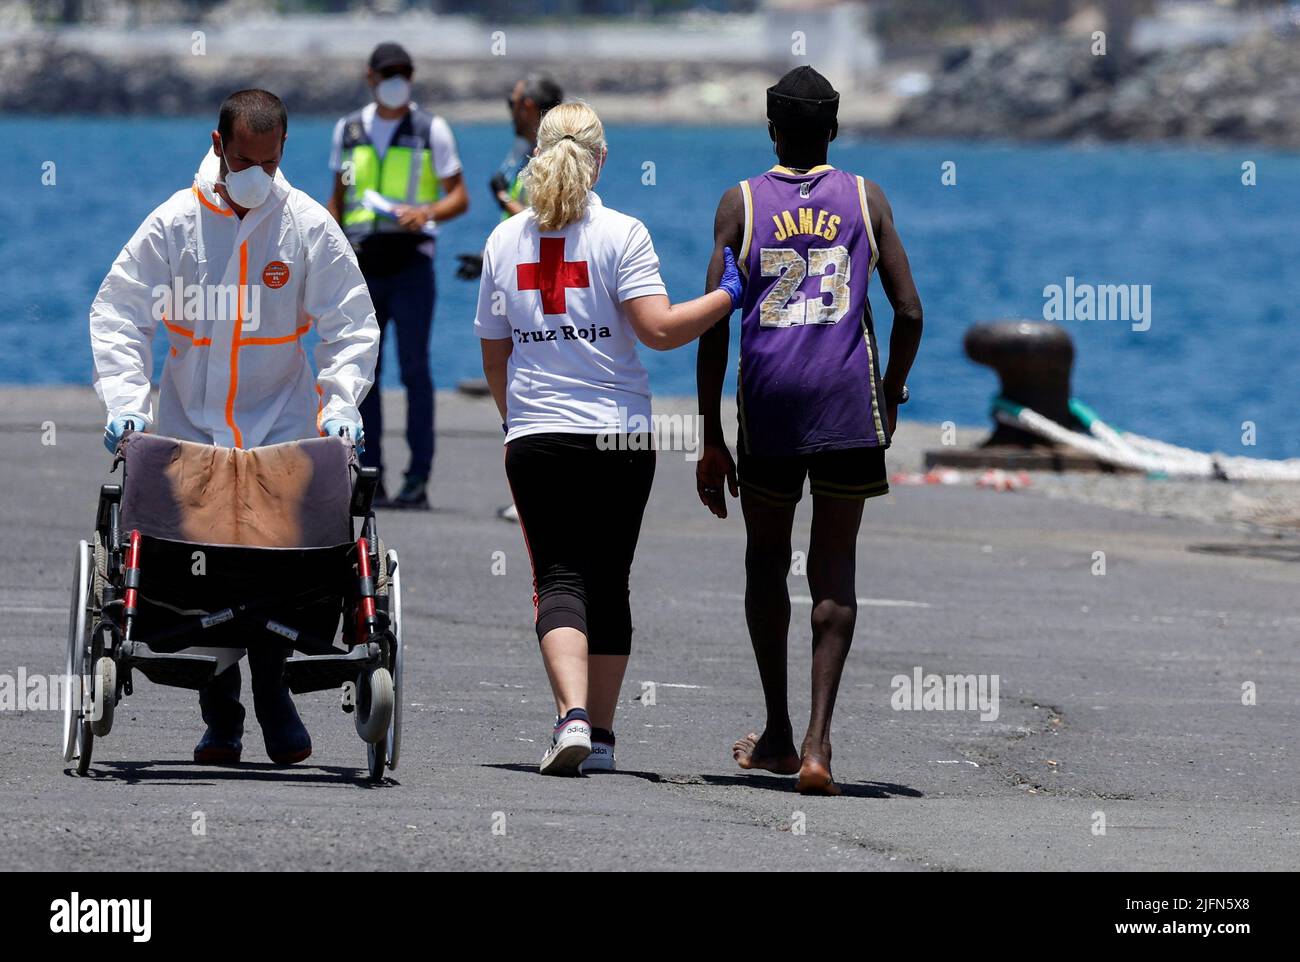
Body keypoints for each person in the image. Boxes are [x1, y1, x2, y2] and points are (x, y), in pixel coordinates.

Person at [90, 89, 380, 766]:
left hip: (278, 418)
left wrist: (341, 404)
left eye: (271, 161)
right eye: (246, 159)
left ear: (283, 152)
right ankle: (222, 709)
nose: (259, 173)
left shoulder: (306, 224)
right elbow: (120, 311)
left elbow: (349, 322)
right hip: (189, 420)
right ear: (219, 146)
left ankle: (272, 690)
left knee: (270, 565)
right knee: (204, 571)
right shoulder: (174, 224)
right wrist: (125, 399)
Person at [474, 101, 743, 776]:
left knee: (558, 577)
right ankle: (602, 735)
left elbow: (494, 350)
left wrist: (516, 419)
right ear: (601, 161)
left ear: (536, 154)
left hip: (538, 436)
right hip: (619, 437)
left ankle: (568, 716)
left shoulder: (505, 240)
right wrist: (729, 297)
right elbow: (658, 330)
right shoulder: (623, 232)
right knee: (611, 581)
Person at [696, 66, 924, 795]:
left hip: (769, 405)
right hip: (845, 404)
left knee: (767, 560)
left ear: (771, 129)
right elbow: (909, 312)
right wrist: (889, 389)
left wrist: (709, 435)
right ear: (833, 129)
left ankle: (779, 734)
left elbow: (711, 324)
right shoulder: (866, 197)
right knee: (834, 565)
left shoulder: (741, 203)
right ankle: (821, 746)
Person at [327, 42, 469, 510]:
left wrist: (425, 211)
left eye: (403, 73)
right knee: (365, 372)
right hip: (363, 263)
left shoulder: (432, 128)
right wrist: (324, 253)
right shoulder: (347, 129)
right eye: (388, 73)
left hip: (411, 263)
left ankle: (418, 478)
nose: (396, 80)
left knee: (415, 370)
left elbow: (458, 197)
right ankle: (370, 475)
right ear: (370, 76)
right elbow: (338, 200)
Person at [455, 72, 563, 281]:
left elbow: (546, 222)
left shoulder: (552, 157)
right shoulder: (530, 152)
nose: (510, 112)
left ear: (528, 106)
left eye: (511, 103)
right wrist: (485, 257)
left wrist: (503, 198)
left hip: (539, 275)